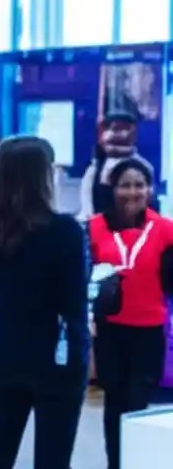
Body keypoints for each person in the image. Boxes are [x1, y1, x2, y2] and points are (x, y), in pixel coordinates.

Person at [0, 136, 89, 469]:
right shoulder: (64, 231)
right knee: (53, 459)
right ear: (42, 176)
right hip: (56, 360)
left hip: (1, 355)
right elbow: (73, 302)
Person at [86, 158, 173, 469]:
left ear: (149, 189)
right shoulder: (94, 228)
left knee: (137, 405)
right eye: (125, 185)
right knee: (114, 405)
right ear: (113, 189)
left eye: (140, 185)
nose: (132, 192)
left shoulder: (165, 230)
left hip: (149, 331)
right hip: (111, 330)